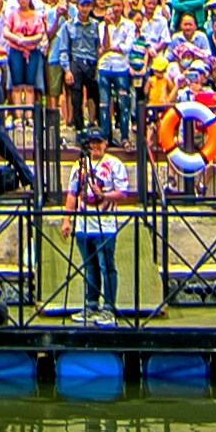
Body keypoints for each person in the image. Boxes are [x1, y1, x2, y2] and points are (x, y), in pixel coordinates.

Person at [67, 136, 133, 321]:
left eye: (99, 142)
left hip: (105, 225)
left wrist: (103, 194)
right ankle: (91, 304)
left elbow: (123, 193)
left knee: (107, 266)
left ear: (105, 144)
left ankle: (109, 308)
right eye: (92, 142)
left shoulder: (114, 164)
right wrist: (67, 219)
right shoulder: (79, 165)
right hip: (83, 223)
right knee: (90, 266)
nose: (95, 146)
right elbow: (72, 193)